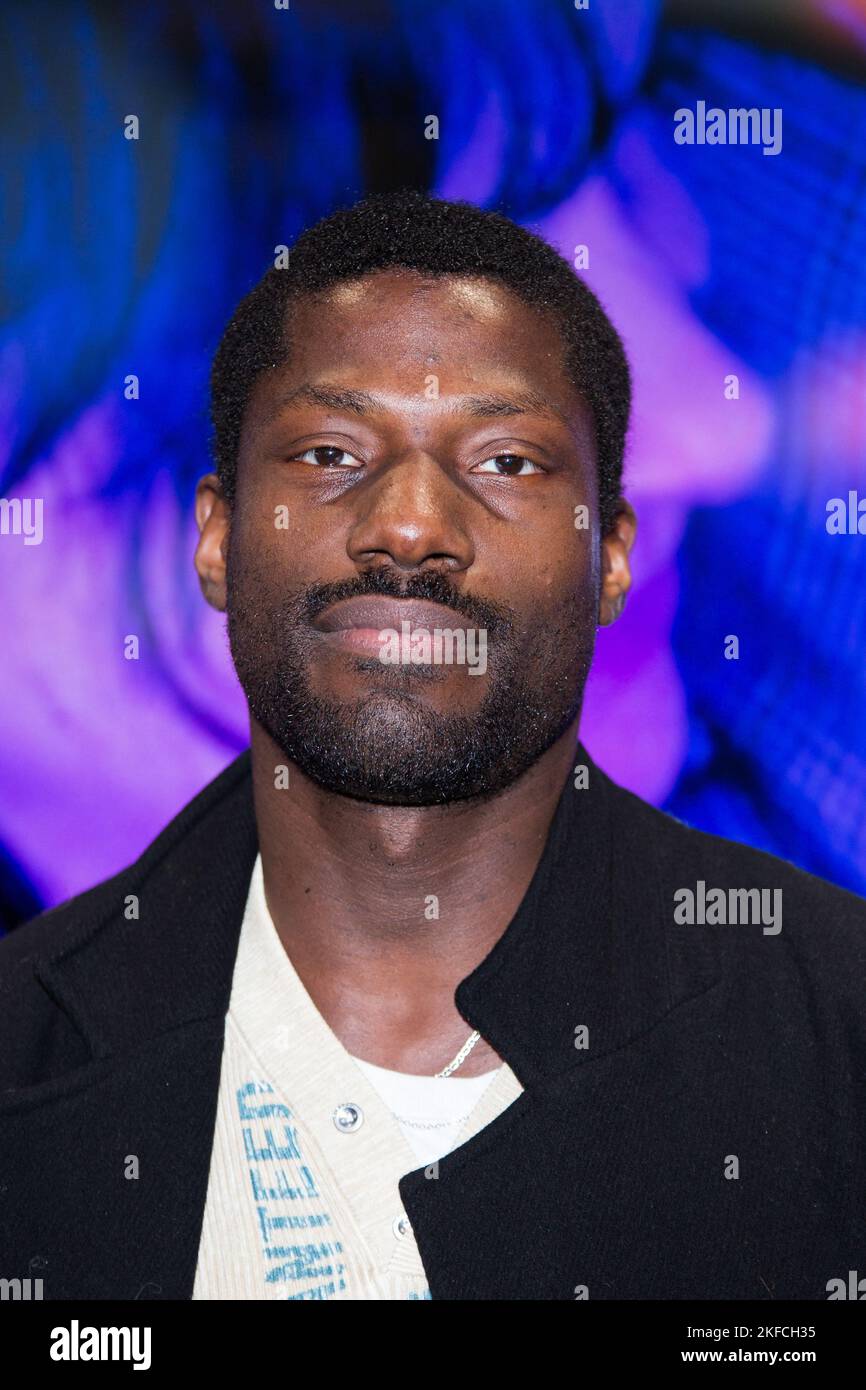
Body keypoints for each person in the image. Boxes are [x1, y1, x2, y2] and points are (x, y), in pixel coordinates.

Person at [2, 189, 864, 1302]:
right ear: (214, 538)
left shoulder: (832, 1030)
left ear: (607, 554)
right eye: (327, 450)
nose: (410, 527)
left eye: (506, 461)